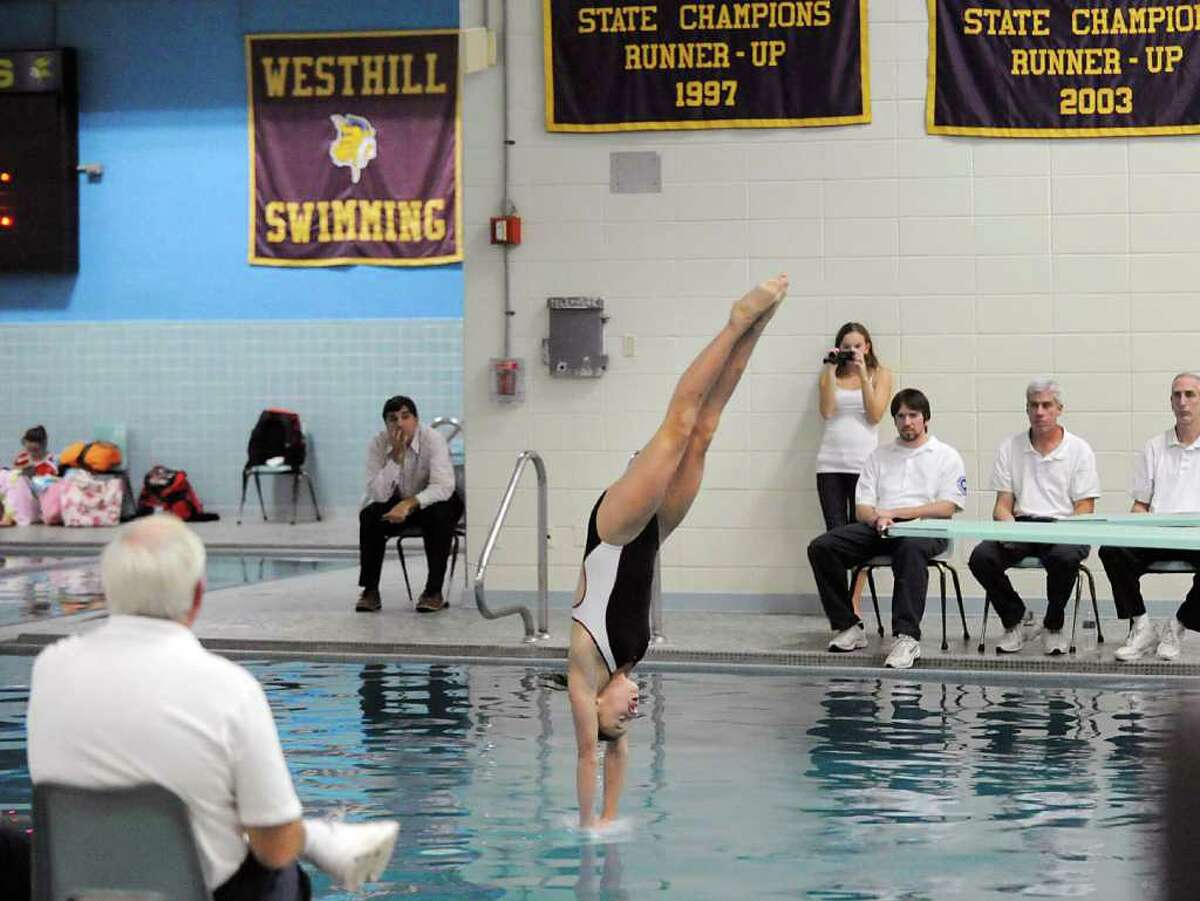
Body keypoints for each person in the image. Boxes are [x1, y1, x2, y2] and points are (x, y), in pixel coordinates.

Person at [26, 515, 400, 900]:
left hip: (74, 890)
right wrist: (310, 838)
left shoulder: (50, 668)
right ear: (198, 595)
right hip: (195, 892)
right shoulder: (229, 689)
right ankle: (323, 839)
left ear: (108, 589)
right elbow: (274, 848)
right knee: (284, 867)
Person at [568, 275, 788, 829]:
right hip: (652, 534)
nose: (632, 712)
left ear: (595, 708)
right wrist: (612, 821)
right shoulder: (630, 660)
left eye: (620, 718)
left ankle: (735, 321)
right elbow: (616, 752)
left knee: (679, 426)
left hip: (614, 531)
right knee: (705, 432)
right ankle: (755, 330)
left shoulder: (584, 670)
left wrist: (588, 826)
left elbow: (590, 755)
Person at [807, 388, 967, 669]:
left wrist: (897, 513)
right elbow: (863, 507)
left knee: (909, 547)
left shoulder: (946, 455)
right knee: (822, 547)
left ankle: (907, 637)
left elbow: (947, 507)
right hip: (882, 527)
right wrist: (877, 519)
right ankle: (849, 626)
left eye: (913, 415)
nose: (907, 422)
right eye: (901, 416)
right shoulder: (879, 456)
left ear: (926, 418)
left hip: (927, 529)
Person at [968, 378, 1101, 655]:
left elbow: (1085, 508)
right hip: (1022, 525)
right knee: (981, 557)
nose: (1039, 412)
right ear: (1026, 409)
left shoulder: (1079, 450)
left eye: (1046, 405)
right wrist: (1011, 529)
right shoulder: (1010, 447)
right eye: (1033, 405)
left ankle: (1053, 626)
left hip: (1064, 527)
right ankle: (1015, 619)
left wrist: (1062, 531)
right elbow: (1002, 506)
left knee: (1064, 557)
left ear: (1059, 409)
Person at [1099, 372, 1200, 662]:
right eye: (1177, 395)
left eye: (1190, 395)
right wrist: (1132, 530)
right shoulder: (1154, 446)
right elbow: (1140, 505)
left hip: (1196, 538)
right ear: (1171, 402)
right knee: (1112, 550)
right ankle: (1142, 627)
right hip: (1157, 533)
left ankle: (1177, 625)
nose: (1183, 402)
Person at [356, 395, 462, 613]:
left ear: (416, 419)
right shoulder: (378, 443)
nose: (399, 423)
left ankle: (433, 591)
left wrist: (410, 503)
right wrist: (395, 458)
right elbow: (377, 493)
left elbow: (443, 487)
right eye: (392, 419)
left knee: (440, 515)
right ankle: (370, 590)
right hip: (399, 500)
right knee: (369, 516)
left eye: (405, 417)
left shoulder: (433, 439)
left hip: (435, 500)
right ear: (386, 423)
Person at [816, 322, 892, 614]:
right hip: (830, 465)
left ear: (867, 347)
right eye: (846, 347)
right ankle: (839, 607)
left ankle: (854, 600)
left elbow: (875, 415)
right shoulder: (830, 374)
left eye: (857, 346)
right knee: (834, 535)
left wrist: (862, 374)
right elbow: (827, 411)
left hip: (864, 465)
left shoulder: (880, 374)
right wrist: (829, 369)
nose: (852, 351)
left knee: (861, 534)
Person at [0, 425, 58, 527]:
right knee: (4, 474)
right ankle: (6, 513)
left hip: (34, 503)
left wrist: (32, 475)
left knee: (17, 478)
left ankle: (9, 516)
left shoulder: (50, 464)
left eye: (36, 443)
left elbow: (48, 489)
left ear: (43, 444)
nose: (32, 446)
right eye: (29, 442)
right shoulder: (22, 457)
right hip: (17, 497)